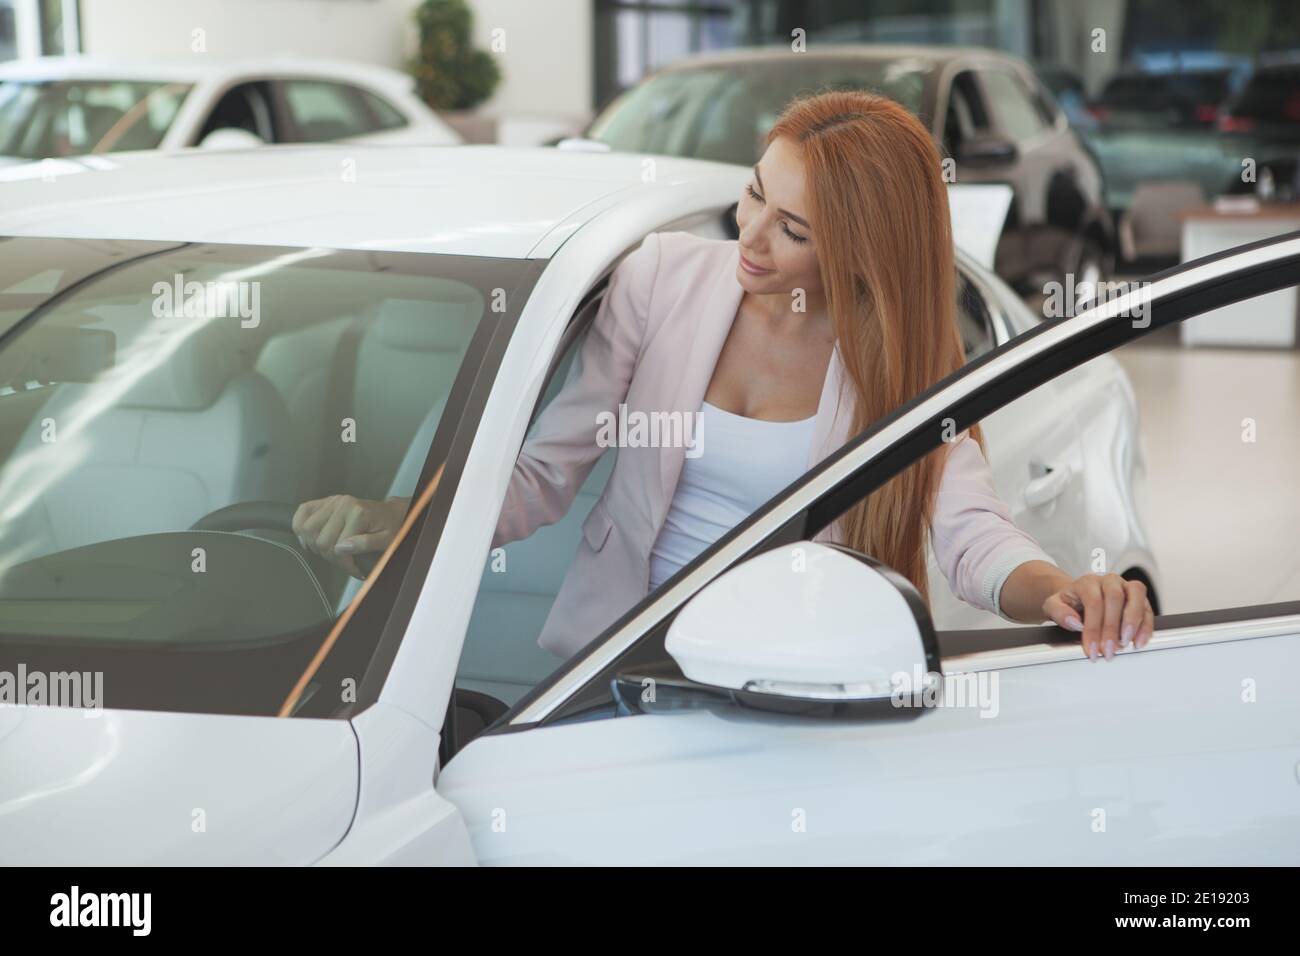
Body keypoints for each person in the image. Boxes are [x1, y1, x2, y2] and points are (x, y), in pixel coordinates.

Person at [293, 90, 1153, 663]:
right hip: (621, 660)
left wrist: (1062, 590)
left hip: (799, 669)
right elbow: (546, 476)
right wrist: (403, 521)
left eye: (793, 230)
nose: (748, 236)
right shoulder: (659, 278)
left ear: (858, 251)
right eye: (752, 196)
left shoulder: (902, 360)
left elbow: (969, 535)